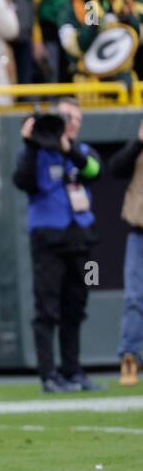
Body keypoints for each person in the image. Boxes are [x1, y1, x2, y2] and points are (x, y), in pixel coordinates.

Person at [12, 99, 103, 393]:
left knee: (76, 306)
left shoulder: (83, 152)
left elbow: (93, 171)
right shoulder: (36, 155)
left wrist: (68, 149)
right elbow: (22, 181)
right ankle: (48, 374)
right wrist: (30, 143)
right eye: (65, 117)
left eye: (76, 118)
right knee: (47, 308)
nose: (71, 122)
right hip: (48, 240)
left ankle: (73, 370)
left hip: (83, 242)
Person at [106, 122, 143, 387]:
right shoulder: (138, 147)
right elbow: (115, 169)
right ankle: (129, 356)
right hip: (139, 232)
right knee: (134, 297)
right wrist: (138, 142)